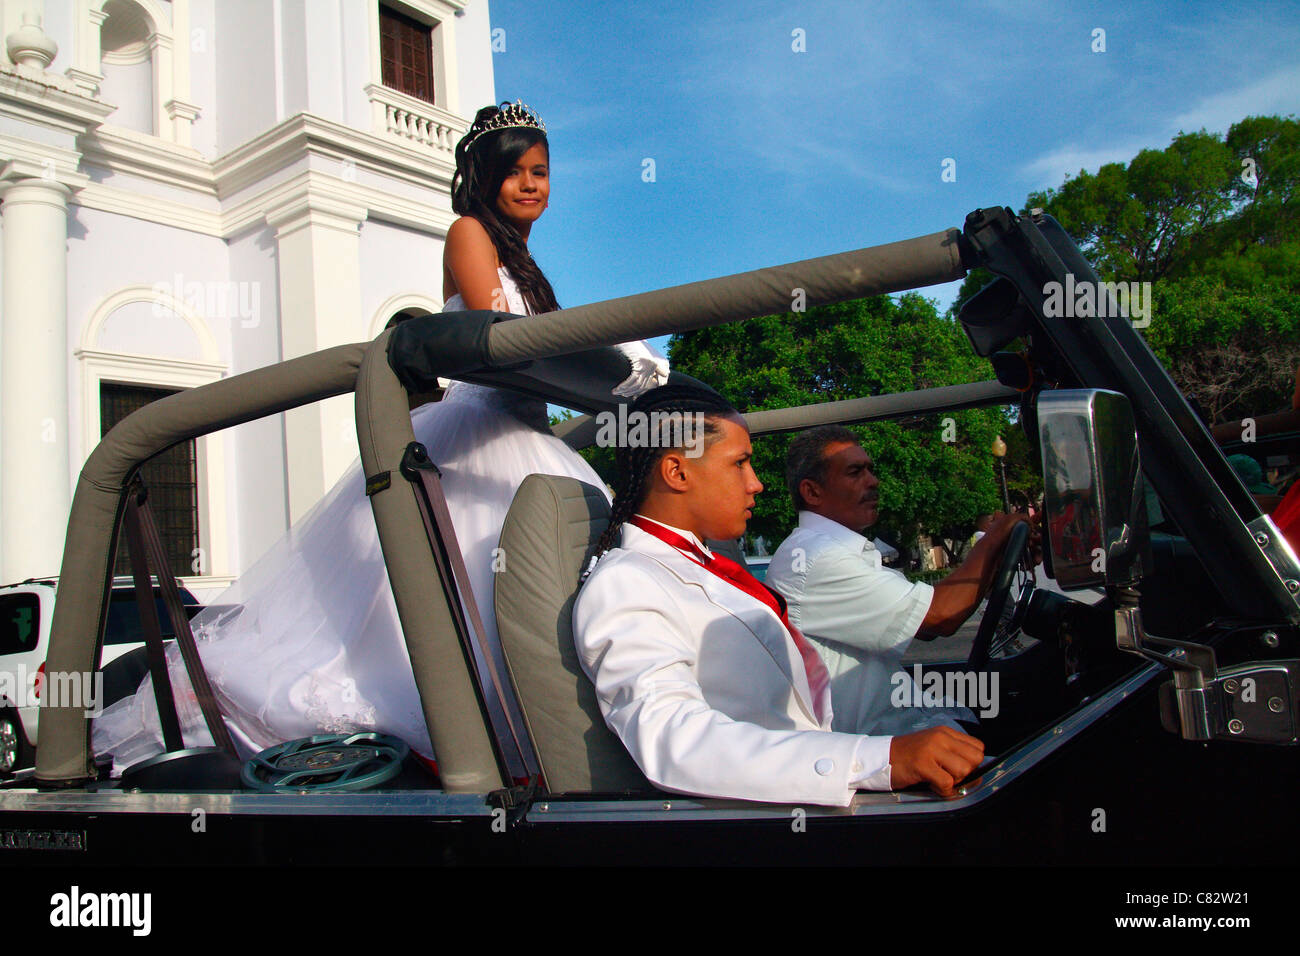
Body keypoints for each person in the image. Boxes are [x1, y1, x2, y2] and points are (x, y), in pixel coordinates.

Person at [93, 101, 667, 771]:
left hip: (527, 431)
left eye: (540, 172)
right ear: (483, 177)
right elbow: (500, 336)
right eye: (514, 172)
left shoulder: (523, 256)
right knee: (462, 590)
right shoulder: (469, 233)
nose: (530, 185)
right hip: (482, 428)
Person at [573, 386, 984, 807]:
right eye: (739, 463)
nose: (756, 483)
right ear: (677, 473)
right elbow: (672, 738)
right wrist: (878, 759)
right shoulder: (626, 582)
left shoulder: (699, 566)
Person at [765, 426, 1035, 737]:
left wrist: (998, 556)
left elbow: (926, 625)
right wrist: (995, 537)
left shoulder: (831, 551)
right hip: (884, 748)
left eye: (870, 470)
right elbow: (939, 617)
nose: (873, 481)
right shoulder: (817, 557)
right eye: (855, 472)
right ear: (812, 492)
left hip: (911, 729)